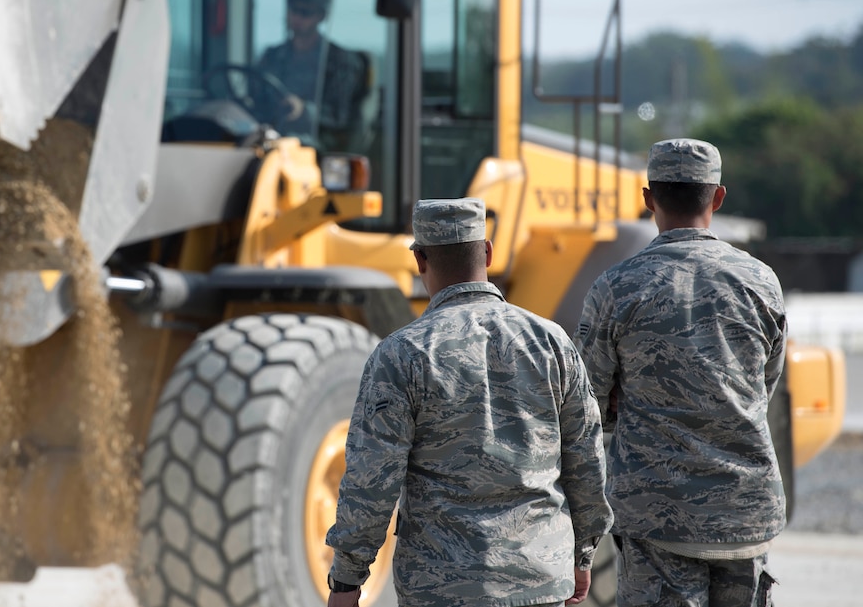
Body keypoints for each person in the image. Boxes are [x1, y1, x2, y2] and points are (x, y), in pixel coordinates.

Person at [326, 197, 613, 607]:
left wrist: (347, 580)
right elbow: (587, 460)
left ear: (419, 259)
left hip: (441, 588)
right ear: (489, 253)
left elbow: (371, 481)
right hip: (540, 582)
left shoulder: (401, 354)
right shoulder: (551, 343)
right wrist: (582, 555)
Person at [573, 138, 787, 607]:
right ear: (718, 197)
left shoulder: (616, 288)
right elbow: (760, 388)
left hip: (657, 518)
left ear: (648, 198)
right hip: (743, 514)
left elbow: (587, 405)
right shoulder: (761, 282)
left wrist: (627, 401)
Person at [255, 0, 371, 150]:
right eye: (293, 9)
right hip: (269, 142)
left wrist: (303, 110)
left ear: (321, 16)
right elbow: (254, 99)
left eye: (306, 12)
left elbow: (339, 115)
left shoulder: (341, 61)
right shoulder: (272, 56)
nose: (297, 17)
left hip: (319, 148)